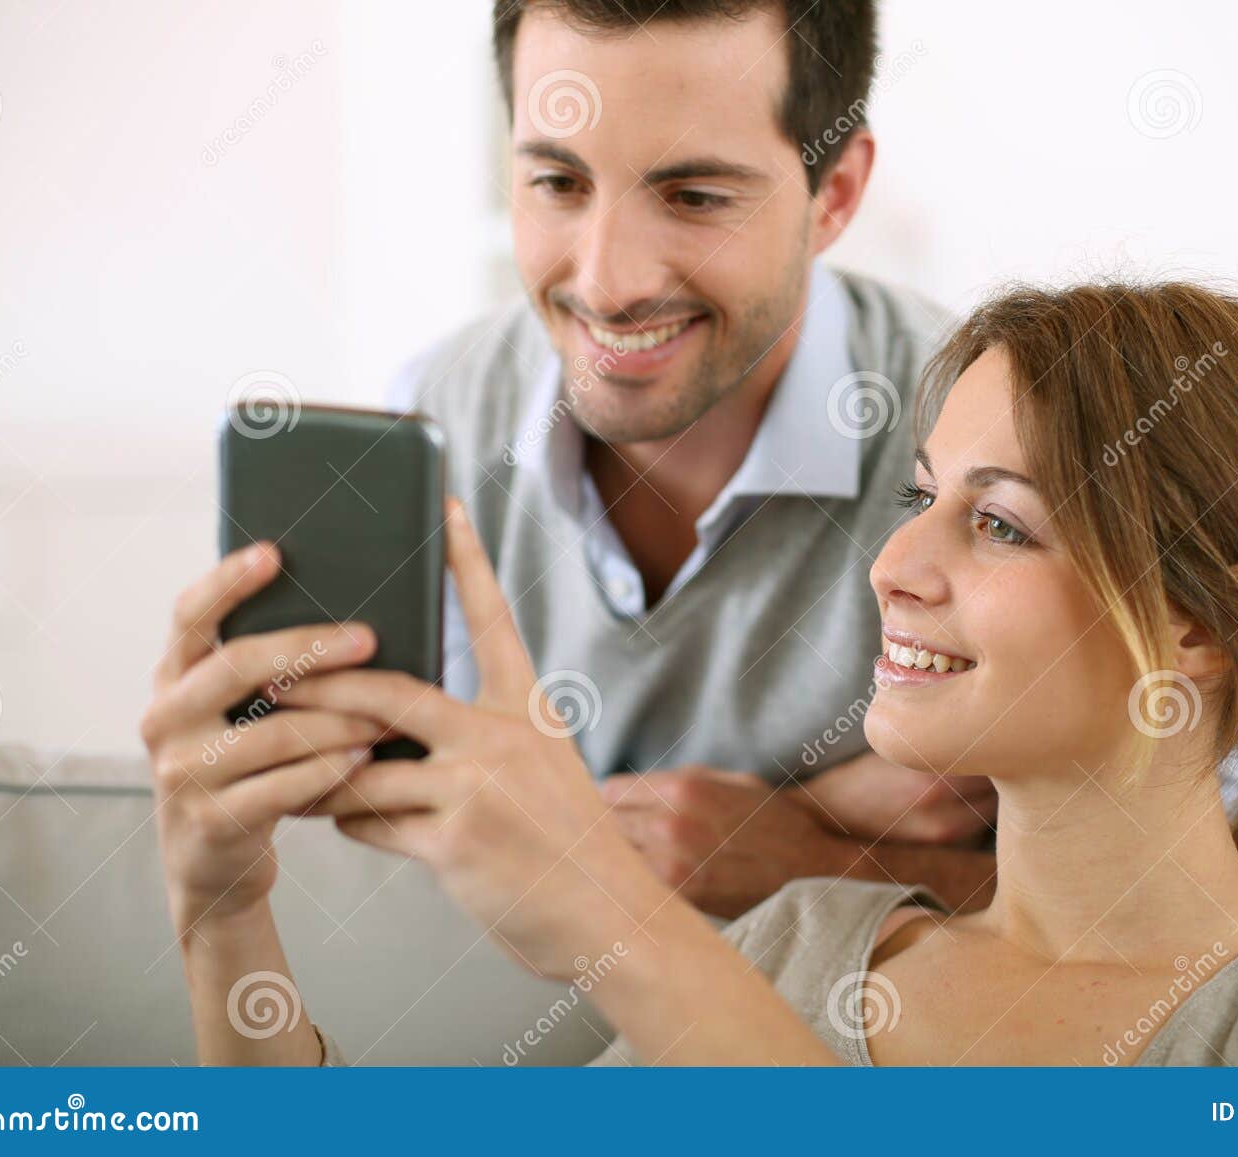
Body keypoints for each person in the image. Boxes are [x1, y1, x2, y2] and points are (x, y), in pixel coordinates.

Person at [152, 278, 1238, 1066]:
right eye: (921, 496)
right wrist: (226, 917)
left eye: (996, 520)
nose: (894, 564)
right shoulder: (795, 949)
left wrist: (612, 918)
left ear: (1203, 628)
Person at [373, 0, 999, 916]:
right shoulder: (433, 414)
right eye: (557, 183)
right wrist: (816, 821)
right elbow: (371, 835)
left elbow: (1188, 903)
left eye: (696, 198)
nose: (606, 283)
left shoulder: (992, 439)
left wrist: (807, 864)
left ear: (836, 194)